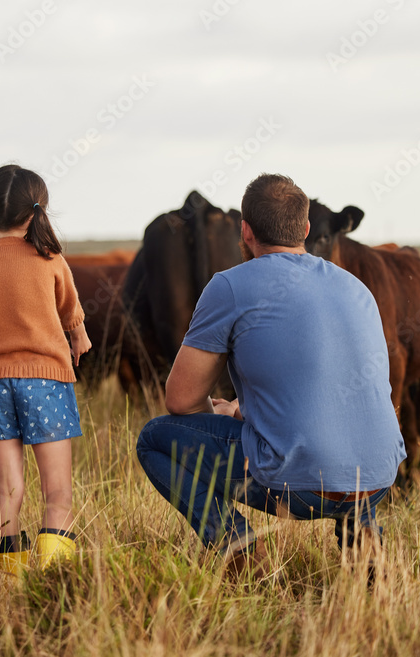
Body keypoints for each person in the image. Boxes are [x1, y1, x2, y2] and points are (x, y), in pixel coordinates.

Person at [135, 173, 406, 578]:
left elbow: (181, 400)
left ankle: (239, 549)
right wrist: (244, 411)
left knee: (154, 440)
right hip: (380, 474)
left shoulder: (229, 286)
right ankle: (362, 534)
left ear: (244, 232)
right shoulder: (356, 288)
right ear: (307, 228)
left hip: (299, 486)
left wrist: (225, 415)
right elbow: (331, 390)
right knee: (343, 447)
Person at [0, 164, 92, 577]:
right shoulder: (50, 259)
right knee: (58, 492)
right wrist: (78, 338)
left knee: (8, 488)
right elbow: (71, 311)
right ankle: (52, 583)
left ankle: (10, 583)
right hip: (46, 382)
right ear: (36, 213)